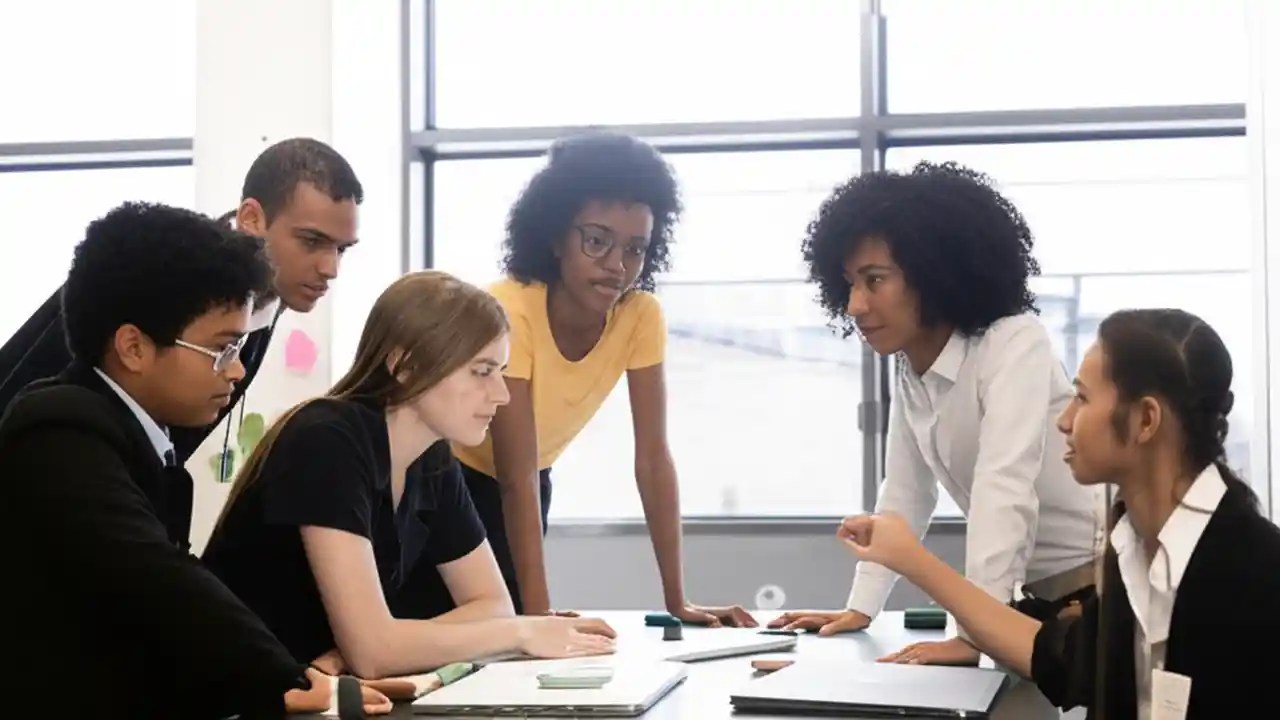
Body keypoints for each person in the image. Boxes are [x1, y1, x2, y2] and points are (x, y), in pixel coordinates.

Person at [0, 202, 389, 718]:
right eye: (223, 350)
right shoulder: (58, 429)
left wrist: (292, 672)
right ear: (134, 348)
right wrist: (282, 679)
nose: (235, 373)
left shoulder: (140, 440)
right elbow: (154, 579)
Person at [840, 308, 1280, 718]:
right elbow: (1059, 656)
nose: (1064, 421)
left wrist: (915, 562)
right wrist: (909, 560)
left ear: (1146, 420)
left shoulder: (1252, 571)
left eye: (1082, 399)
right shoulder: (1133, 550)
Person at [203, 270, 618, 679]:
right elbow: (377, 653)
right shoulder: (326, 439)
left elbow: (491, 605)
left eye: (500, 371)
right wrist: (519, 633)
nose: (502, 394)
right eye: (482, 371)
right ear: (406, 365)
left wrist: (378, 647)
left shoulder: (432, 457)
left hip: (314, 692)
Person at [770, 161, 1100, 666]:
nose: (856, 304)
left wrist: (974, 635)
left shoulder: (1013, 343)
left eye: (874, 280)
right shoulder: (910, 367)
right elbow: (903, 494)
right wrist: (860, 608)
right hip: (1023, 596)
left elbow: (1003, 490)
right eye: (850, 284)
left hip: (1090, 589)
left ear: (933, 273)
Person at [447, 132, 756, 626]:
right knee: (481, 632)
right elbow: (514, 475)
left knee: (512, 634)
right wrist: (540, 614)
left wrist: (678, 601)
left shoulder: (639, 315)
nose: (617, 265)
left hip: (531, 482)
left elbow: (653, 461)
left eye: (636, 248)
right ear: (554, 236)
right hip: (447, 480)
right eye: (596, 241)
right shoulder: (509, 309)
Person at [0, 137, 362, 468]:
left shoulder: (265, 301)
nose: (330, 269)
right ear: (251, 218)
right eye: (311, 241)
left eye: (341, 249)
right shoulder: (160, 269)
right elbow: (35, 393)